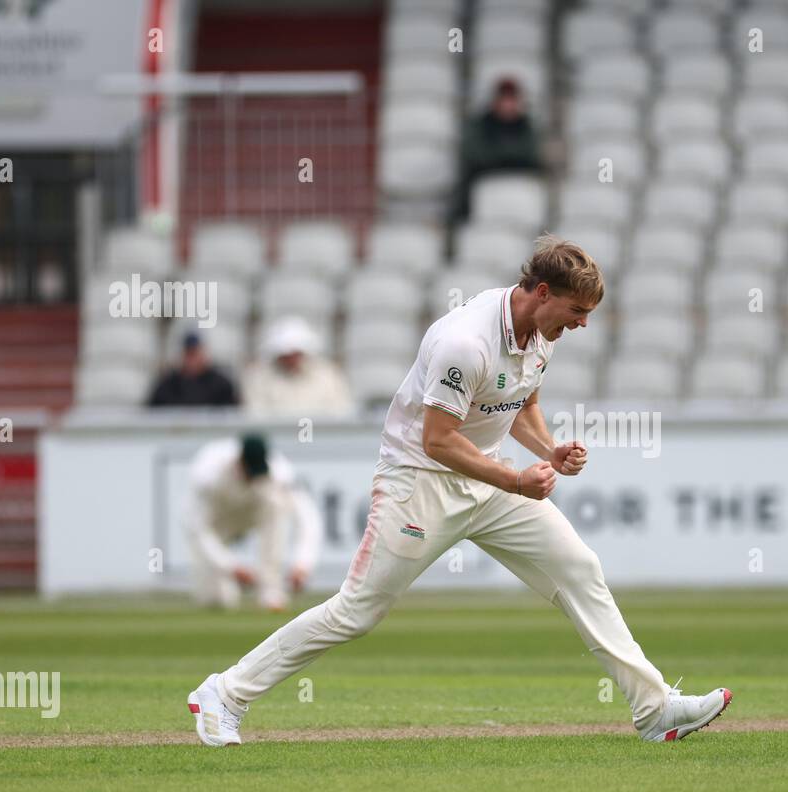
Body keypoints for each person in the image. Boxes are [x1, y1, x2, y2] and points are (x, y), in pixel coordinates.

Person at [187, 237, 730, 746]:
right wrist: (518, 480)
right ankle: (224, 692)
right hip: (419, 481)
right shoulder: (464, 342)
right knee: (356, 612)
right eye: (576, 312)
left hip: (485, 477)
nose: (582, 324)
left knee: (579, 568)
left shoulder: (541, 333)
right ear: (543, 293)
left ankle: (654, 708)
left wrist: (549, 452)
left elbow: (520, 404)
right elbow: (439, 440)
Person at [184, 434, 321, 612]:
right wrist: (231, 566)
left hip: (253, 513)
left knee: (276, 504)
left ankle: (271, 591)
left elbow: (307, 517)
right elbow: (197, 529)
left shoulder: (279, 471)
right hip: (217, 523)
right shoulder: (207, 473)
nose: (254, 479)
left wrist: (303, 564)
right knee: (216, 600)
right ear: (240, 463)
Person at [451, 76, 543, 224]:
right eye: (504, 100)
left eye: (511, 100)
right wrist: (509, 158)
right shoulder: (480, 124)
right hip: (483, 174)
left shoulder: (527, 125)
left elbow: (532, 154)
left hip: (518, 175)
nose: (508, 105)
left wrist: (501, 158)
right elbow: (474, 154)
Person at [242, 316, 354, 417]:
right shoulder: (259, 378)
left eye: (296, 353)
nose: (291, 358)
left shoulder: (328, 375)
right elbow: (255, 416)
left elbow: (342, 412)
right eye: (286, 354)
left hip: (319, 437)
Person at [147, 331, 238, 407]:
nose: (191, 360)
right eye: (188, 354)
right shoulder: (167, 386)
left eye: (194, 353)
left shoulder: (221, 385)